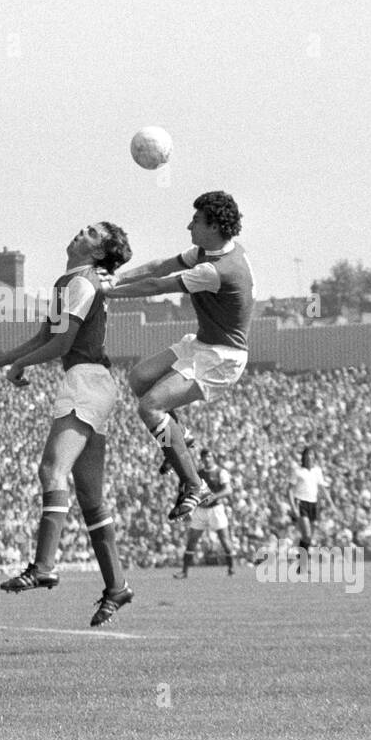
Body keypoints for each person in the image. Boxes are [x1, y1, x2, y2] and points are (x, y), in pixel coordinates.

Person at [0, 222, 136, 627]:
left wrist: (22, 364)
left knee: (51, 470)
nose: (83, 231)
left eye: (93, 234)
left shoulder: (81, 284)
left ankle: (44, 565)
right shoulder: (72, 282)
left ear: (98, 253)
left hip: (86, 380)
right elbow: (45, 335)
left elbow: (61, 345)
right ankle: (117, 587)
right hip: (93, 382)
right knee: (91, 498)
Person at [104, 191, 255, 522]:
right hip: (204, 343)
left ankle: (193, 484)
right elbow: (161, 266)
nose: (189, 225)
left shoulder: (218, 270)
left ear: (214, 226)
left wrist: (106, 292)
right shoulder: (208, 252)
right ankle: (181, 437)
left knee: (150, 407)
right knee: (139, 378)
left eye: (196, 221)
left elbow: (157, 286)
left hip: (222, 357)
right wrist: (119, 276)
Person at [174, 449, 237, 578]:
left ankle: (231, 569)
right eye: (204, 457)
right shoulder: (199, 474)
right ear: (202, 459)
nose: (207, 459)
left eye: (209, 456)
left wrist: (214, 497)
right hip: (200, 510)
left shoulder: (221, 472)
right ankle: (184, 572)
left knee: (224, 540)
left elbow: (228, 490)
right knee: (192, 540)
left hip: (216, 510)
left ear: (213, 457)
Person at [291, 446, 331, 574]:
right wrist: (293, 506)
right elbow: (289, 490)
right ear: (303, 458)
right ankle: (302, 565)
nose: (310, 458)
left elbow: (322, 488)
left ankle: (301, 565)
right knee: (307, 534)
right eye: (307, 456)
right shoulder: (298, 471)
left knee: (308, 538)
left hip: (313, 504)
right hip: (301, 502)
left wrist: (331, 502)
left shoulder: (317, 471)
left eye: (312, 456)